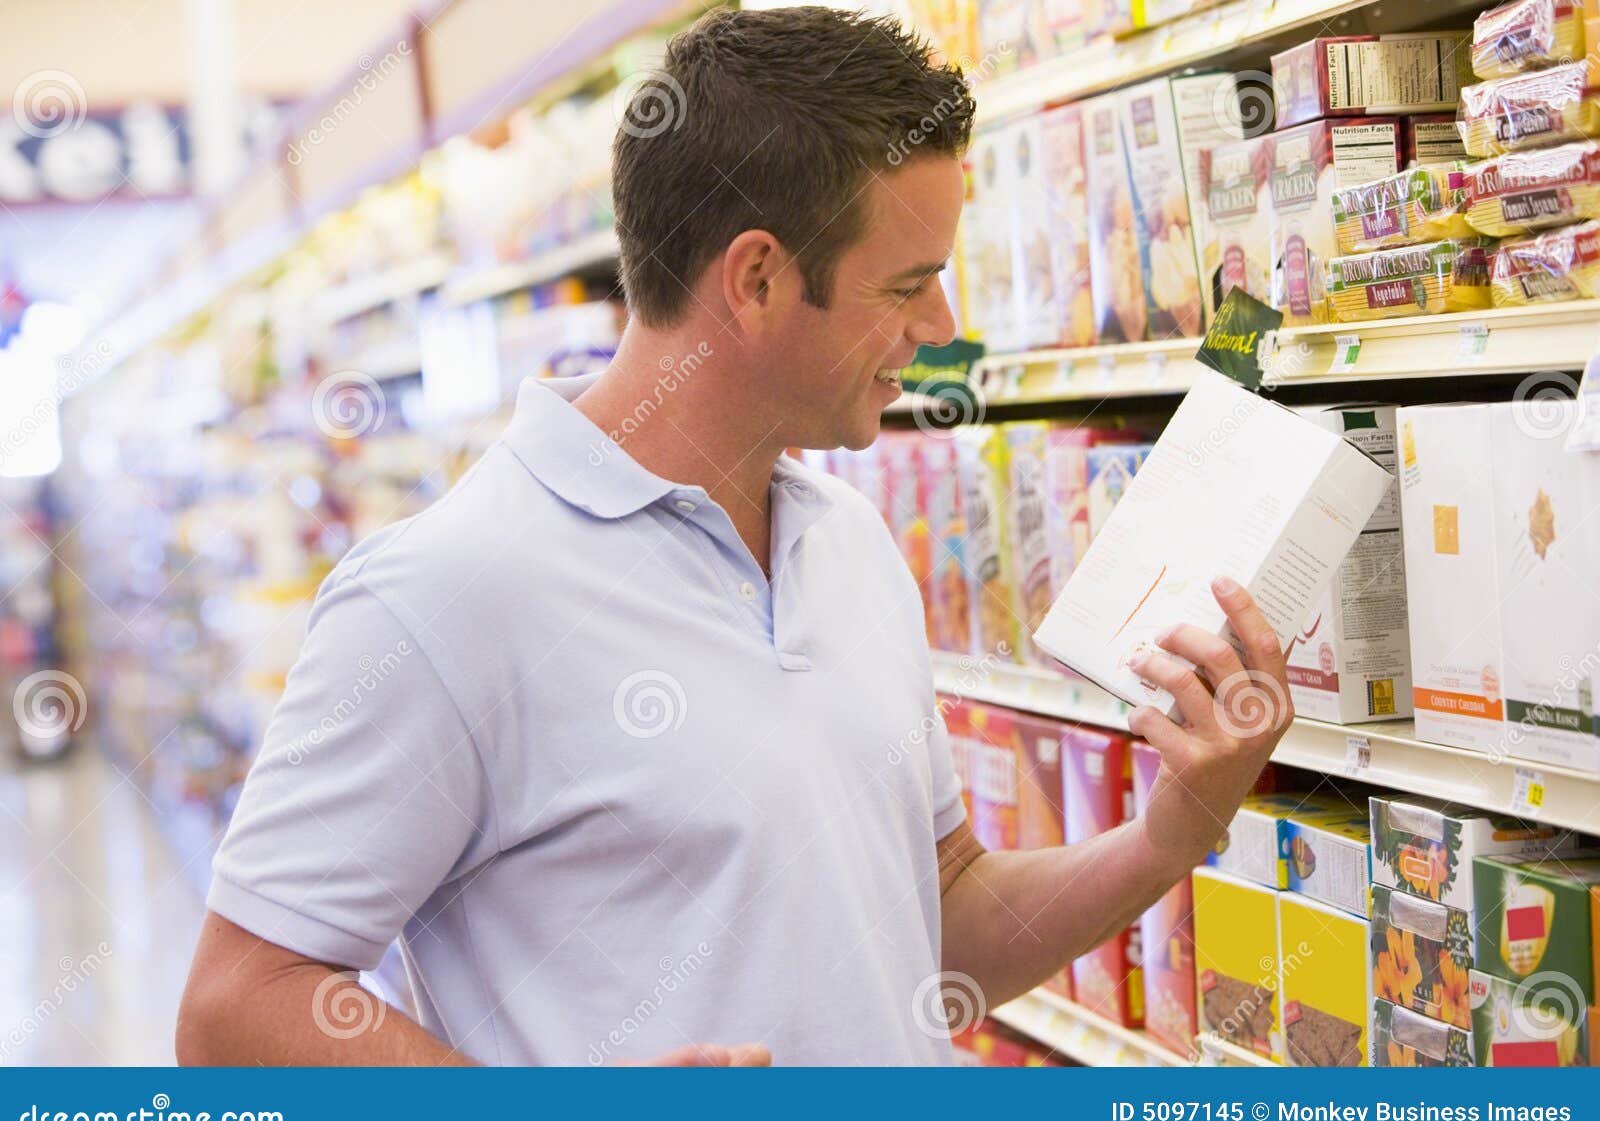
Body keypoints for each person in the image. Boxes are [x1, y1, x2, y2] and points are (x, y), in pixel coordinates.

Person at [176, 6, 1292, 1067]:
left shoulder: (851, 540)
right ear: (757, 279)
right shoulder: (442, 594)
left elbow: (936, 924)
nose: (940, 327)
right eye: (908, 285)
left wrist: (1169, 831)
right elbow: (236, 1004)